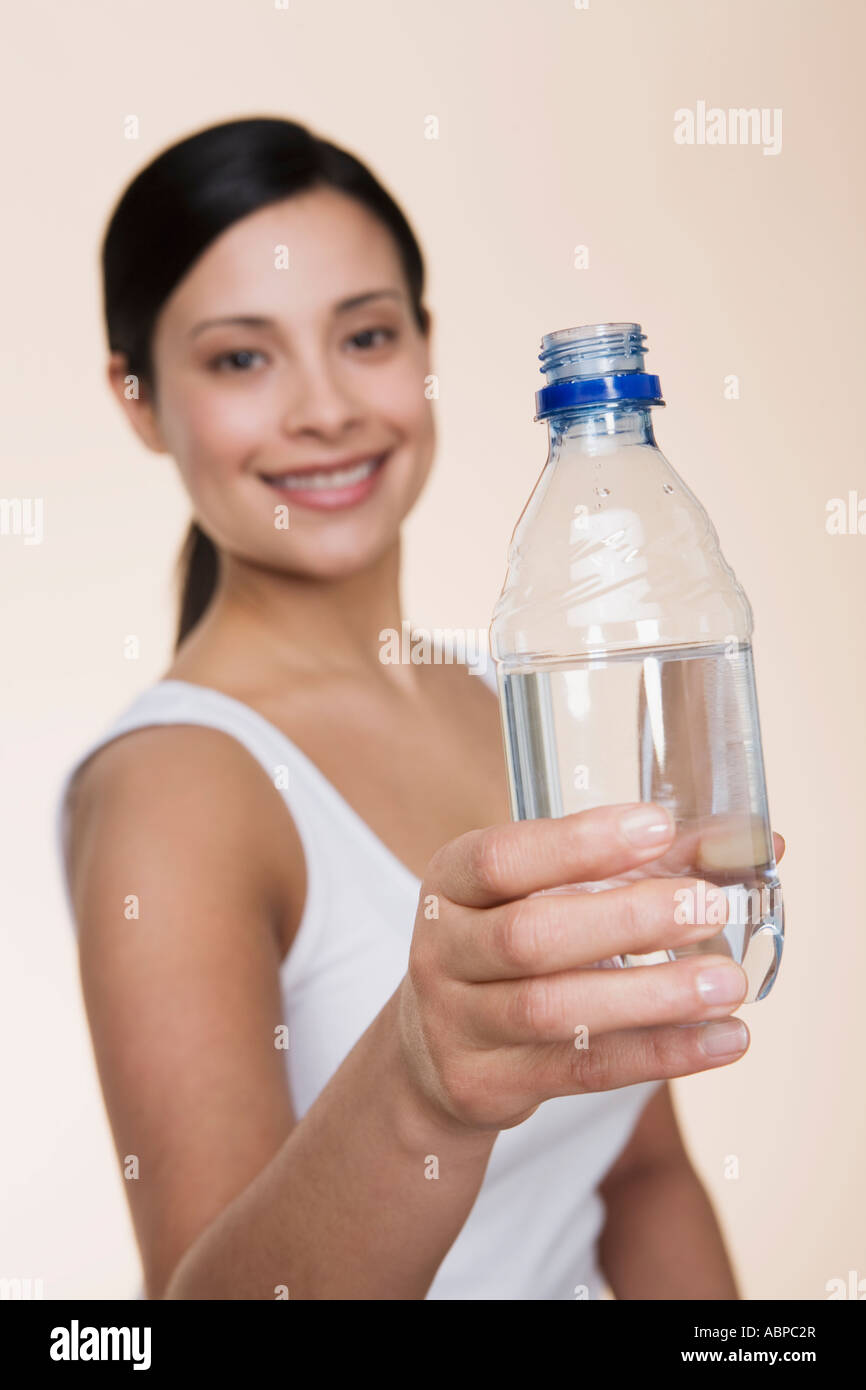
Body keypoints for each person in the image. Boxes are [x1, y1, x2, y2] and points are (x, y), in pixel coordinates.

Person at [57, 116, 781, 1301]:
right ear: (138, 401)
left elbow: (641, 1175)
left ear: (426, 348)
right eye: (242, 358)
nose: (326, 407)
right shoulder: (175, 788)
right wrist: (421, 1086)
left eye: (367, 336)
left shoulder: (523, 707)